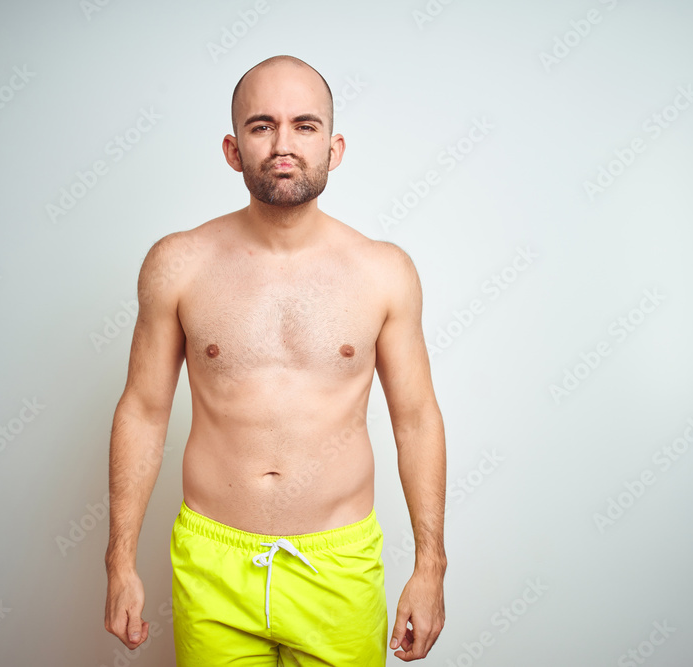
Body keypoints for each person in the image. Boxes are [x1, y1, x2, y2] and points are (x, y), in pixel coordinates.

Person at [104, 54, 447, 664]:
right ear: (234, 149)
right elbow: (144, 410)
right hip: (213, 563)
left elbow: (416, 418)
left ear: (334, 148)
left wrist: (430, 567)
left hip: (338, 565)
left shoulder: (383, 272)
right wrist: (119, 560)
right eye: (262, 126)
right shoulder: (179, 264)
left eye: (305, 126)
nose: (283, 144)